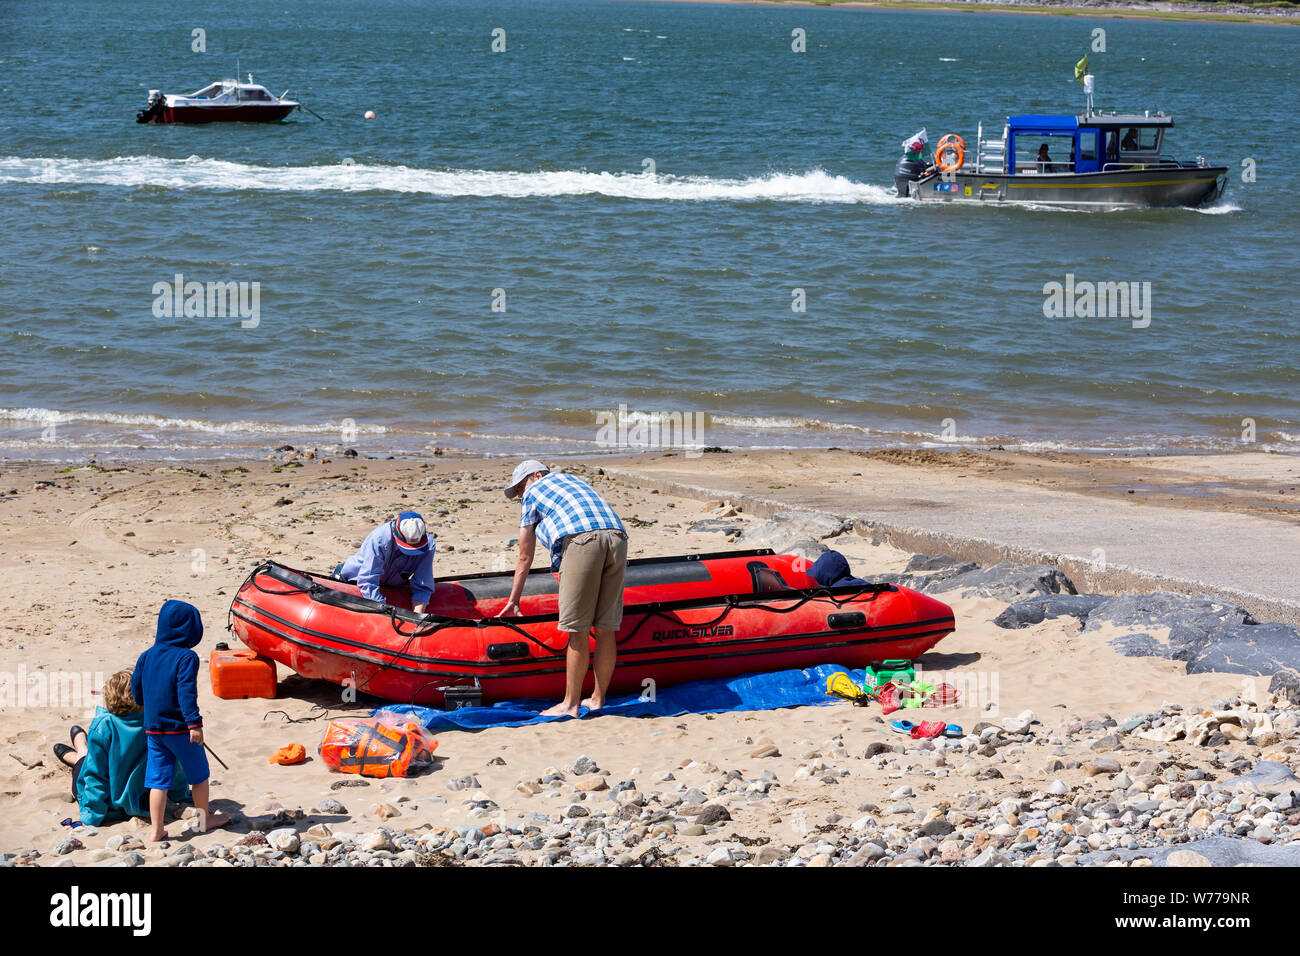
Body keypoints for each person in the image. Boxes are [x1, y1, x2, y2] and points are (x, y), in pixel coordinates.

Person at [499, 460, 628, 717]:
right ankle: (598, 700)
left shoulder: (534, 492)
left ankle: (570, 705)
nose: (520, 495)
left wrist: (514, 600)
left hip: (582, 541)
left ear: (536, 475)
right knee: (606, 629)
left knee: (576, 629)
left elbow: (525, 556)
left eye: (520, 488)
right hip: (617, 538)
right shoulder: (572, 481)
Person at [131, 600, 228, 841]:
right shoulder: (186, 657)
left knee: (158, 780)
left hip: (153, 729)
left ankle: (156, 830)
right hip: (181, 730)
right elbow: (186, 692)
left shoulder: (147, 655)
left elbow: (136, 687)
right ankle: (205, 820)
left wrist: (146, 705)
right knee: (199, 776)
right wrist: (194, 724)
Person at [53, 670, 190, 826]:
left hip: (113, 802)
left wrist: (91, 816)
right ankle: (81, 748)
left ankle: (80, 752)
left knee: (82, 767)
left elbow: (95, 775)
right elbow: (174, 765)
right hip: (146, 800)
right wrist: (181, 795)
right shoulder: (159, 721)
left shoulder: (105, 725)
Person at [336, 511, 436, 613]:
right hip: (353, 580)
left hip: (391, 586)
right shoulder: (379, 539)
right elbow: (368, 581)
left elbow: (422, 586)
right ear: (394, 532)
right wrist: (385, 611)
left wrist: (416, 618)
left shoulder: (429, 545)